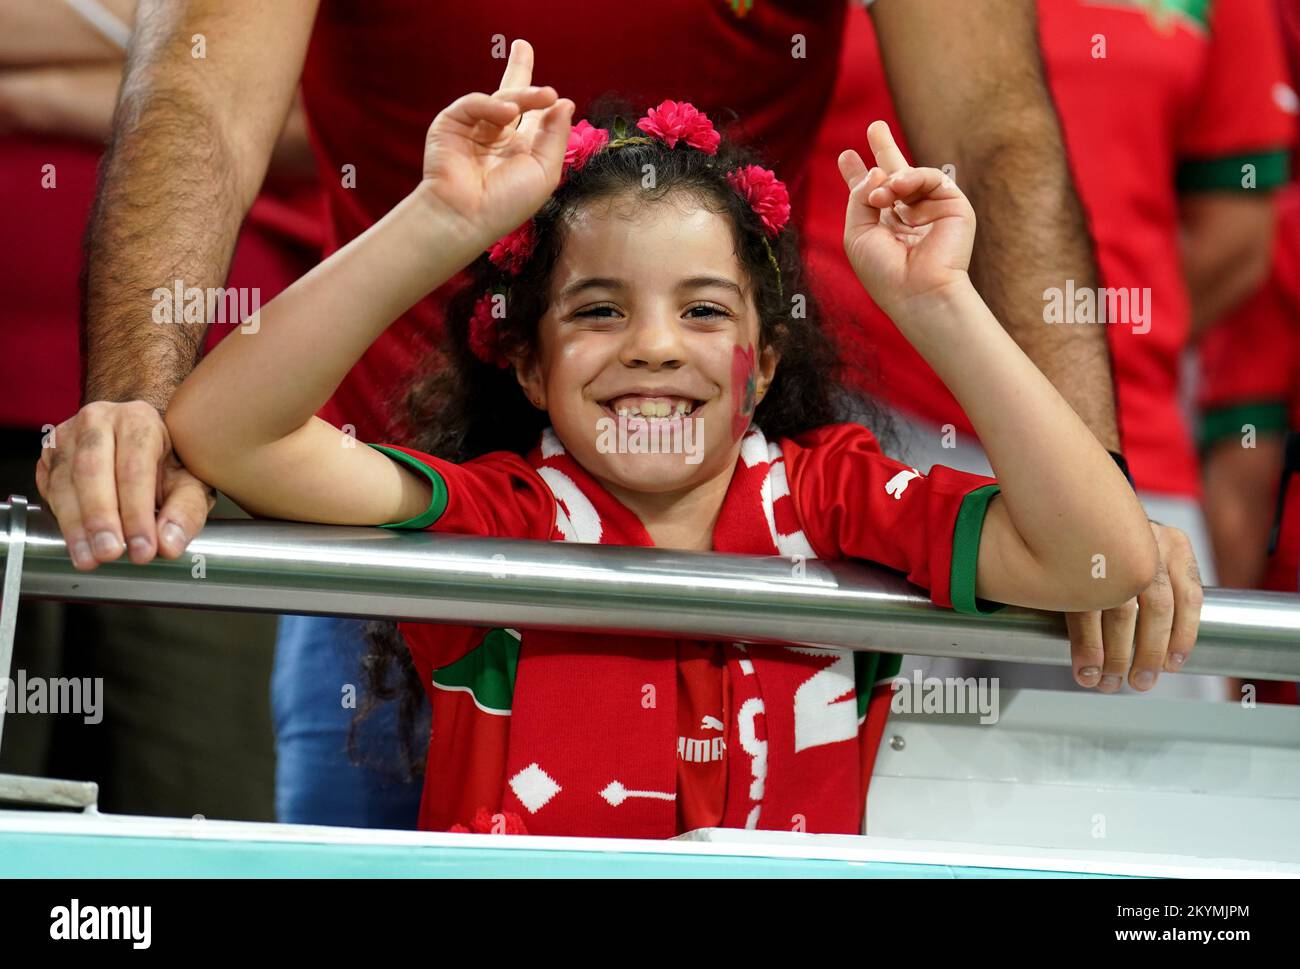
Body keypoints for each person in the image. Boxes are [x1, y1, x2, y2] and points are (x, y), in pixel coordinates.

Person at [41, 1, 1177, 828]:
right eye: (595, 310)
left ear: (765, 352)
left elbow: (1092, 554)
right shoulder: (500, 510)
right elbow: (233, 426)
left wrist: (940, 306)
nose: (651, 344)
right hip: (383, 522)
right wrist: (441, 221)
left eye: (701, 308)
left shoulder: (833, 494)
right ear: (523, 365)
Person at [802, 0, 1294, 697]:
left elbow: (1235, 242)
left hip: (1125, 433)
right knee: (851, 779)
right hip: (868, 429)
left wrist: (1088, 458)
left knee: (1151, 793)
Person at [0, 0, 320, 819]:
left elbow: (302, 109)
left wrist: (37, 98)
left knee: (197, 792)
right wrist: (142, 48)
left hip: (218, 435)